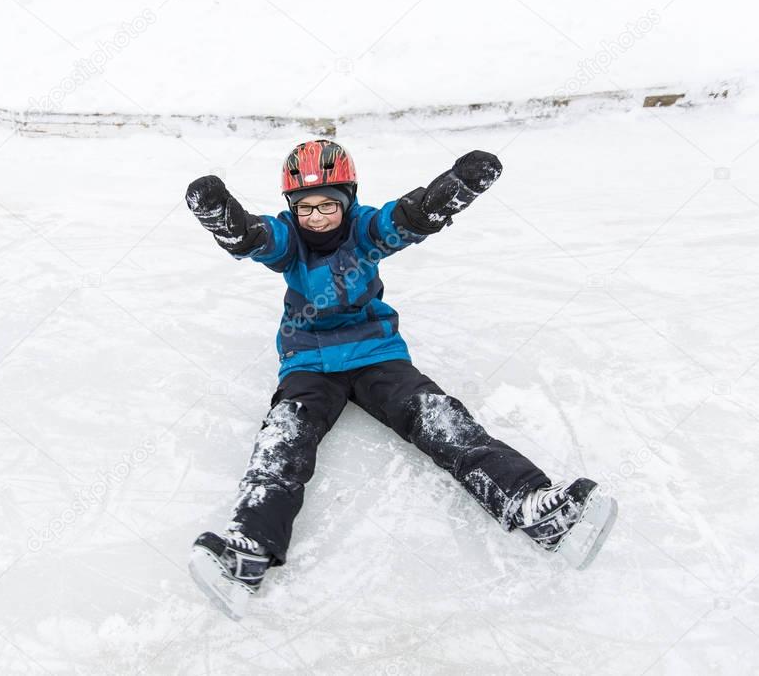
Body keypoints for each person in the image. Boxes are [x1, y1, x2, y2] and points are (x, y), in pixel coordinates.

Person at [184, 139, 618, 620]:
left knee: (442, 421)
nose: (318, 217)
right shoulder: (289, 239)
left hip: (376, 354)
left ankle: (533, 508)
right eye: (306, 207)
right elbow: (256, 238)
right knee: (283, 442)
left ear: (348, 199)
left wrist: (451, 190)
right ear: (292, 208)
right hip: (309, 362)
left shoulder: (364, 229)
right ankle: (248, 553)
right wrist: (224, 217)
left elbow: (407, 219)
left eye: (329, 205)